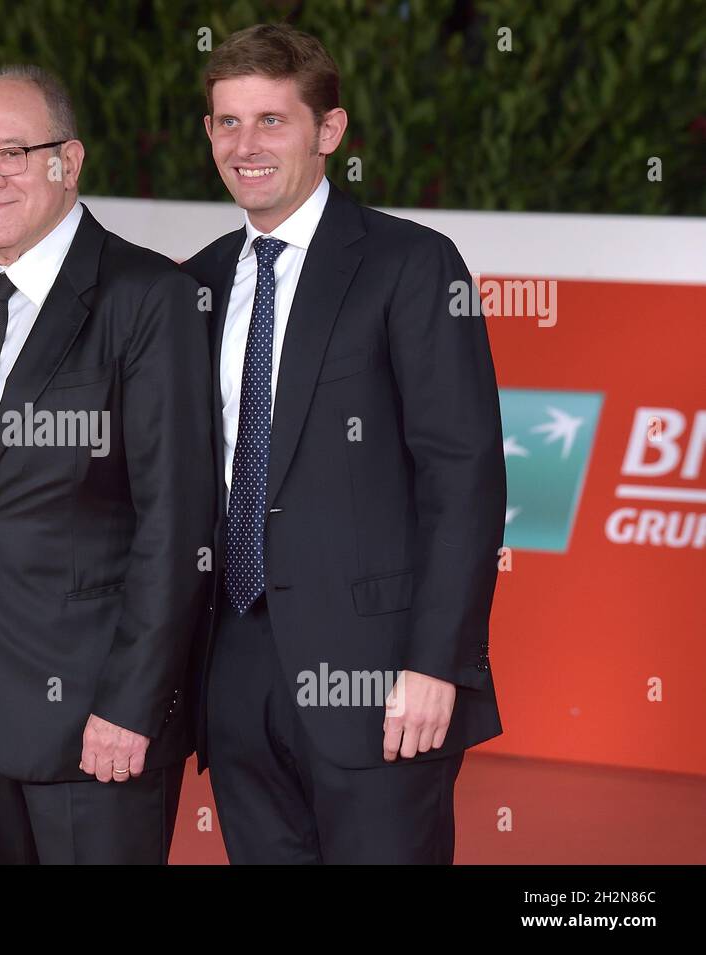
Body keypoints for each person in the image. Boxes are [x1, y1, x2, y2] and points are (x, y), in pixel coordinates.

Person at [183, 24, 506, 864]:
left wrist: (439, 664)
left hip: (384, 676)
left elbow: (463, 475)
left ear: (329, 132)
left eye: (271, 121)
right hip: (236, 671)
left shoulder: (413, 263)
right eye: (226, 121)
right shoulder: (198, 281)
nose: (244, 146)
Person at [0, 65, 213, 864]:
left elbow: (176, 522)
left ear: (67, 161)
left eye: (11, 151)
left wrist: (132, 702)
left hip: (94, 719)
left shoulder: (147, 296)